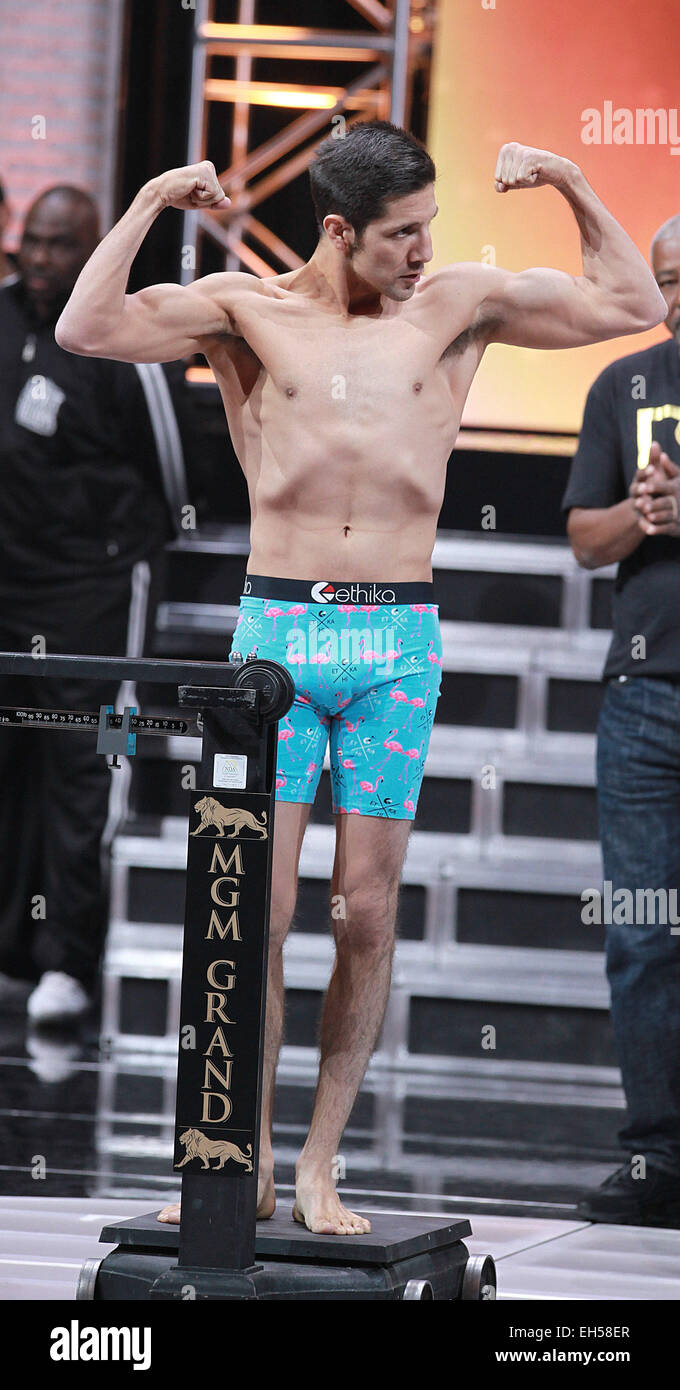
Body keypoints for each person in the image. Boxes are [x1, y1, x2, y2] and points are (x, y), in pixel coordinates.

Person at [55, 120, 666, 1236]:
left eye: (428, 226)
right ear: (338, 230)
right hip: (278, 639)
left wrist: (571, 182)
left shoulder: (455, 305)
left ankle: (318, 1166)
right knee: (265, 909)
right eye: (400, 235)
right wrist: (146, 201)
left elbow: (630, 305)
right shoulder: (246, 309)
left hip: (395, 645)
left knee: (365, 914)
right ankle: (232, 1157)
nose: (423, 250)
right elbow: (85, 323)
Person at [0, 185, 199, 1024]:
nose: (42, 260)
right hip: (8, 587)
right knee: (12, 773)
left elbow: (175, 472)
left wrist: (117, 546)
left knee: (91, 769)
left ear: (92, 251)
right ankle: (12, 955)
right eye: (33, 243)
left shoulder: (125, 334)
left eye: (60, 246)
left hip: (98, 592)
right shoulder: (4, 316)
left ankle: (69, 962)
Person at [563, 212, 680, 1229]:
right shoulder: (622, 387)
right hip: (643, 695)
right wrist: (639, 517)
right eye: (664, 282)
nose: (674, 299)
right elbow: (582, 539)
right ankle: (655, 1154)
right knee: (643, 931)